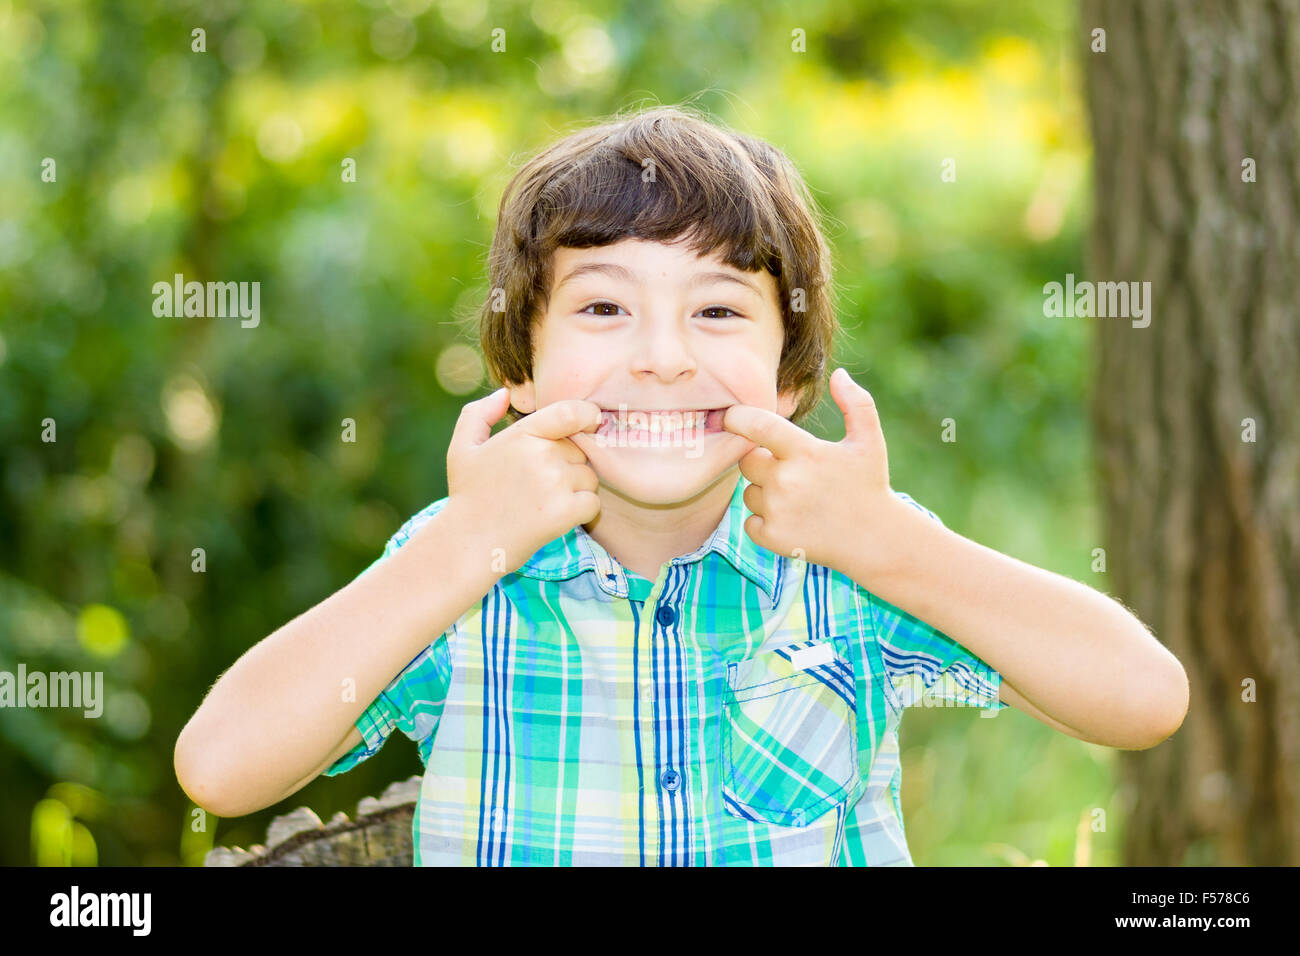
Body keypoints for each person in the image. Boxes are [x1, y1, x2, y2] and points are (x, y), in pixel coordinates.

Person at [174, 104, 1189, 866]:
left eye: (716, 312)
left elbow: (1144, 697)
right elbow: (220, 767)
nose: (661, 356)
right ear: (518, 370)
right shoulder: (463, 569)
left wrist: (892, 548)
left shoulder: (854, 554)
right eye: (605, 308)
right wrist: (455, 551)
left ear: (790, 378)